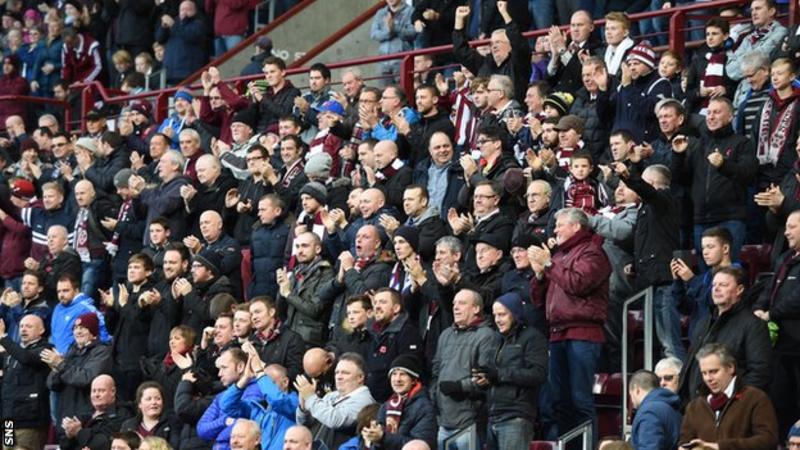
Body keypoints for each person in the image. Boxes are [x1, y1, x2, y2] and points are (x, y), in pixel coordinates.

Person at [528, 207, 611, 444]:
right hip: (557, 335)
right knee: (560, 402)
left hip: (583, 334)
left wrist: (548, 266)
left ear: (576, 226)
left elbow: (578, 283)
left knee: (580, 400)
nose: (554, 230)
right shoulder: (558, 256)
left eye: (559, 225)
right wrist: (540, 275)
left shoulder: (593, 253)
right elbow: (537, 299)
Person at [671, 97, 757, 262]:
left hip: (731, 218)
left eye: (717, 112)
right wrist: (678, 155)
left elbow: (748, 174)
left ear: (731, 117)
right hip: (701, 220)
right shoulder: (698, 146)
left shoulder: (742, 143)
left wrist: (724, 164)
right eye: (709, 112)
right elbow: (680, 179)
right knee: (706, 276)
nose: (710, 116)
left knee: (729, 271)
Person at [679, 267, 772, 399]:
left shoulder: (754, 325)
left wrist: (730, 400)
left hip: (730, 409)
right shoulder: (704, 322)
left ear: (739, 289)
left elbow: (760, 373)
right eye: (714, 285)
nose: (716, 289)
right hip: (697, 407)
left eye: (723, 285)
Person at [474, 293, 547, 450]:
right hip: (493, 416)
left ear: (515, 313)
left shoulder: (533, 338)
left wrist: (499, 374)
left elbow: (537, 375)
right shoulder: (496, 339)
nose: (497, 320)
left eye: (502, 314)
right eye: (495, 315)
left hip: (516, 417)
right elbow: (495, 374)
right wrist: (485, 379)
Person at [432, 288, 500, 448]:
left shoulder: (487, 335)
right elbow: (436, 369)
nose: (455, 307)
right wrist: (434, 393)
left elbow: (486, 378)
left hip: (470, 423)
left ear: (476, 309)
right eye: (455, 303)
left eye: (462, 303)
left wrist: (459, 387)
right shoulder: (446, 334)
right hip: (443, 421)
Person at [753, 209, 800, 435]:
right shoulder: (785, 258)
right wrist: (759, 309)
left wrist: (771, 314)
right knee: (780, 400)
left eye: (792, 227)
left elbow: (797, 298)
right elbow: (769, 289)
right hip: (780, 346)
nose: (787, 232)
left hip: (797, 343)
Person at [679, 343, 778, 450]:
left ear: (730, 367)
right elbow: (684, 442)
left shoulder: (755, 398)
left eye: (713, 371)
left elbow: (768, 440)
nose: (708, 378)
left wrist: (720, 447)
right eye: (704, 373)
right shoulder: (694, 406)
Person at [46, 312, 113, 431]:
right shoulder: (70, 352)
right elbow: (52, 385)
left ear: (93, 331)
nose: (78, 332)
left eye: (83, 328)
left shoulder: (101, 352)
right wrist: (56, 369)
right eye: (75, 328)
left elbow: (85, 378)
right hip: (65, 417)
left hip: (86, 419)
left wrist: (60, 365)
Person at [452, 2, 531, 103]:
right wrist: (459, 21)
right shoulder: (484, 63)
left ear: (510, 45)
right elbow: (461, 51)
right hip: (487, 115)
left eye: (498, 42)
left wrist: (504, 13)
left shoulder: (518, 63)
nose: (494, 46)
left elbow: (519, 44)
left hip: (512, 113)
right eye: (492, 43)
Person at [295, 352, 376, 448]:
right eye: (337, 372)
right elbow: (304, 424)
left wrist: (310, 397)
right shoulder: (332, 396)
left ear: (360, 377)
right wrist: (303, 407)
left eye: (345, 373)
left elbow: (335, 420)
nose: (339, 377)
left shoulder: (364, 401)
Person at [360, 355, 436, 449]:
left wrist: (383, 438)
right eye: (394, 374)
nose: (397, 379)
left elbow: (419, 445)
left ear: (413, 380)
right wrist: (371, 438)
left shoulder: (424, 407)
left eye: (403, 374)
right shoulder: (386, 406)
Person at [0, 314, 52, 449]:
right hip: (9, 420)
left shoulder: (45, 349)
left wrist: (3, 337)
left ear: (41, 330)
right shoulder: (12, 352)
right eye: (21, 326)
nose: (23, 329)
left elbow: (26, 358)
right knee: (7, 448)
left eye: (29, 326)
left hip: (30, 420)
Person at [364, 288, 423, 402]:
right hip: (372, 401)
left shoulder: (408, 333)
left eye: (383, 302)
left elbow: (408, 373)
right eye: (375, 303)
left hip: (394, 404)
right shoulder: (372, 332)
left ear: (396, 308)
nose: (377, 306)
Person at [277, 231, 334, 348]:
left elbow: (314, 310)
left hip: (311, 340)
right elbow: (281, 311)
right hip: (290, 336)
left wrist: (288, 294)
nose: (299, 251)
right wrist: (281, 289)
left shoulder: (326, 273)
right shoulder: (296, 271)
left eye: (305, 246)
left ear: (318, 249)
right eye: (297, 246)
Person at [59, 374, 131, 450]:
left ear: (113, 391)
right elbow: (63, 446)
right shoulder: (84, 411)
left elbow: (105, 444)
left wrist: (79, 432)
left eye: (101, 391)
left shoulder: (121, 414)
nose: (96, 395)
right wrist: (69, 435)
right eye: (93, 391)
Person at [155, 0, 210, 85]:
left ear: (194, 11)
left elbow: (190, 36)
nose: (184, 12)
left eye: (188, 9)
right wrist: (163, 27)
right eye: (182, 9)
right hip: (170, 72)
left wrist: (173, 25)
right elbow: (159, 39)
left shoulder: (198, 23)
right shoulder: (175, 23)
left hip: (187, 71)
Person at [627, 370, 682, 450]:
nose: (631, 400)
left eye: (630, 395)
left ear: (637, 390)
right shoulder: (669, 406)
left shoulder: (649, 412)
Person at [120, 382, 181, 449]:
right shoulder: (128, 425)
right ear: (139, 404)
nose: (154, 402)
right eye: (148, 399)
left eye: (158, 398)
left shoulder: (172, 423)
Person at [371, 0, 415, 84]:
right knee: (383, 93)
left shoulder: (410, 11)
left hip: (402, 60)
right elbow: (374, 34)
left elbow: (412, 33)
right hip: (383, 61)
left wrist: (394, 28)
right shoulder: (380, 13)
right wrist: (389, 32)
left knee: (403, 93)